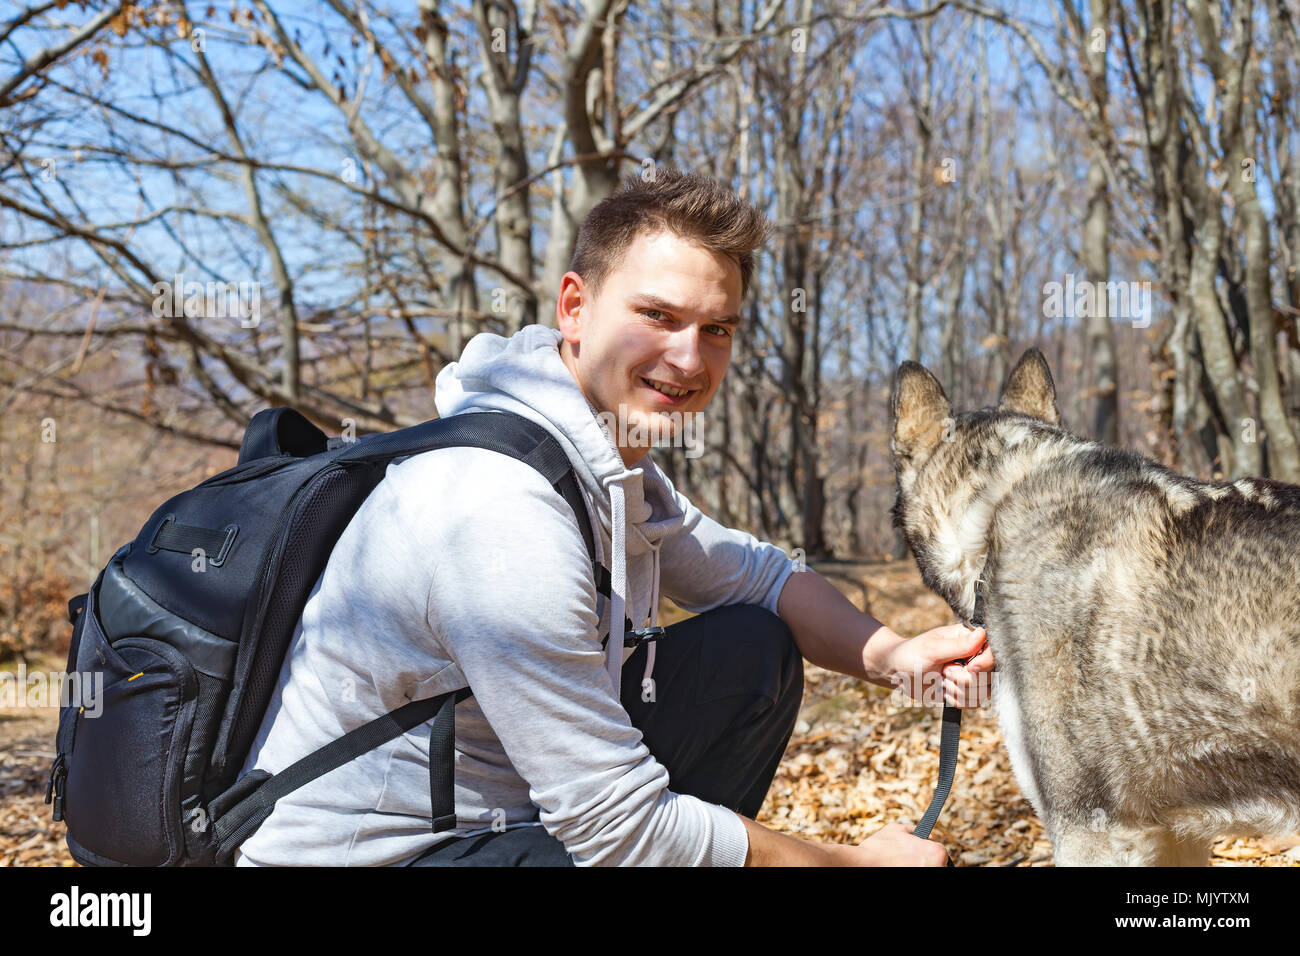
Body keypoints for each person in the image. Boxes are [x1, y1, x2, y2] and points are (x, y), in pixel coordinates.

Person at [233, 167, 993, 867]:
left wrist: (894, 656)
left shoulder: (605, 464)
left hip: (502, 820)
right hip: (380, 857)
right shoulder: (498, 511)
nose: (691, 361)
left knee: (750, 648)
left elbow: (762, 579)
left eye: (716, 328)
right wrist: (850, 864)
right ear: (575, 306)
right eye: (656, 315)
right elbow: (616, 827)